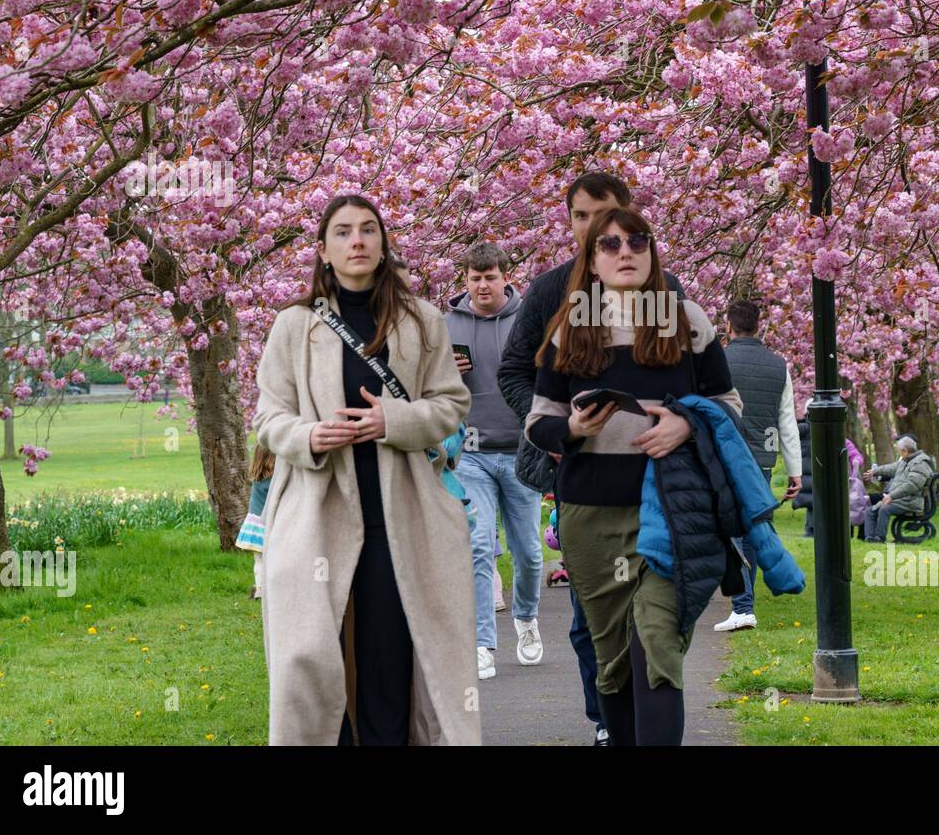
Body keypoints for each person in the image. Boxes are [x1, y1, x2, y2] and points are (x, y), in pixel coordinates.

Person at [252, 193, 478, 745]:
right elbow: (268, 416)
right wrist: (309, 435)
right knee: (311, 655)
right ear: (324, 251)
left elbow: (451, 404)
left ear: (382, 245)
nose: (358, 240)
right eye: (344, 232)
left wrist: (392, 422)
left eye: (369, 230)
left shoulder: (422, 321)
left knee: (390, 659)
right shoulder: (293, 325)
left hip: (403, 517)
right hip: (316, 516)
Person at [525, 207, 743, 746]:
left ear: (652, 252)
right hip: (591, 514)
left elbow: (729, 403)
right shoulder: (570, 325)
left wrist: (686, 426)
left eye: (637, 241)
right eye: (610, 244)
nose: (626, 251)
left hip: (671, 510)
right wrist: (572, 428)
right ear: (592, 261)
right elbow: (538, 422)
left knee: (658, 646)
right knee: (614, 659)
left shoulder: (687, 319)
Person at [497, 170, 685, 746]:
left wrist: (681, 420)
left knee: (654, 625)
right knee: (593, 621)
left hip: (656, 487)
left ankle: (640, 721)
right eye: (581, 217)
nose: (596, 230)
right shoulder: (551, 290)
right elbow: (516, 373)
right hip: (576, 477)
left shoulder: (663, 292)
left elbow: (704, 385)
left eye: (606, 217)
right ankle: (604, 721)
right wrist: (564, 429)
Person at [445, 241, 544, 681]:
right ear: (465, 279)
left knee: (529, 554)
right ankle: (483, 643)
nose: (482, 285)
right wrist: (444, 370)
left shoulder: (528, 320)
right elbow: (427, 386)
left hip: (521, 453)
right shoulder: (448, 325)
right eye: (474, 278)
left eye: (490, 277)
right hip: (471, 456)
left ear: (506, 277)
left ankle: (526, 618)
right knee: (479, 546)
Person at [715, 299, 802, 632]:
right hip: (762, 459)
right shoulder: (778, 365)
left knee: (730, 526)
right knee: (750, 527)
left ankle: (742, 605)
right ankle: (744, 603)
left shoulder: (718, 362)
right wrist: (794, 470)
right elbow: (787, 422)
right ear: (759, 325)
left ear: (729, 326)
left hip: (724, 454)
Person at [862, 435, 935, 543]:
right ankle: (869, 539)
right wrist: (875, 471)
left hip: (909, 501)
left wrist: (891, 496)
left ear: (905, 451)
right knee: (869, 511)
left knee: (884, 509)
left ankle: (879, 538)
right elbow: (891, 468)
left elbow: (911, 485)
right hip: (900, 500)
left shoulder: (920, 464)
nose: (899, 453)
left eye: (899, 451)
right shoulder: (906, 461)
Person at [236, 444, 274, 599]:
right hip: (265, 525)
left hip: (253, 525)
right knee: (271, 560)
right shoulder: (272, 481)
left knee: (259, 561)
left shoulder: (256, 478)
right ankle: (268, 590)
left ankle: (259, 590)